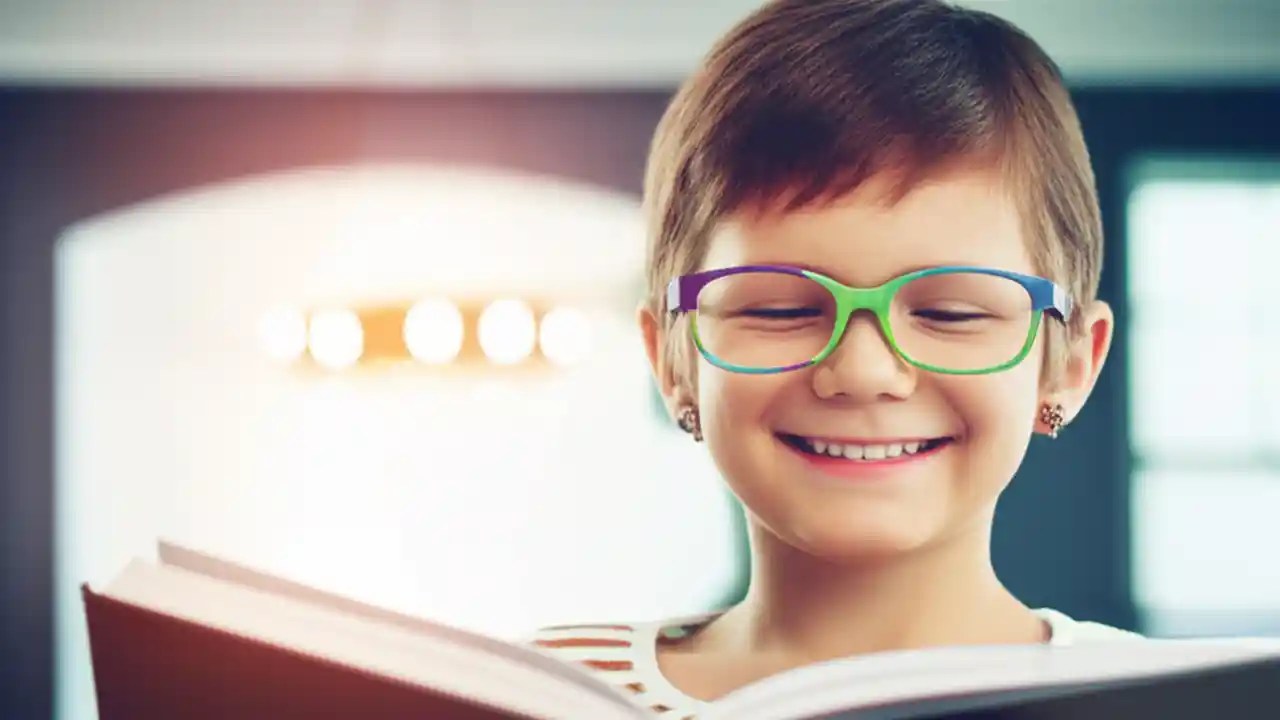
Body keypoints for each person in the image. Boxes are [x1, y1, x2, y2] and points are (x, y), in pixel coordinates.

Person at [533, 0, 1142, 715]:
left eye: (950, 313)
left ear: (1070, 362)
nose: (863, 372)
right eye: (778, 309)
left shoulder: (1178, 700)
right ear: (672, 362)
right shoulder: (544, 691)